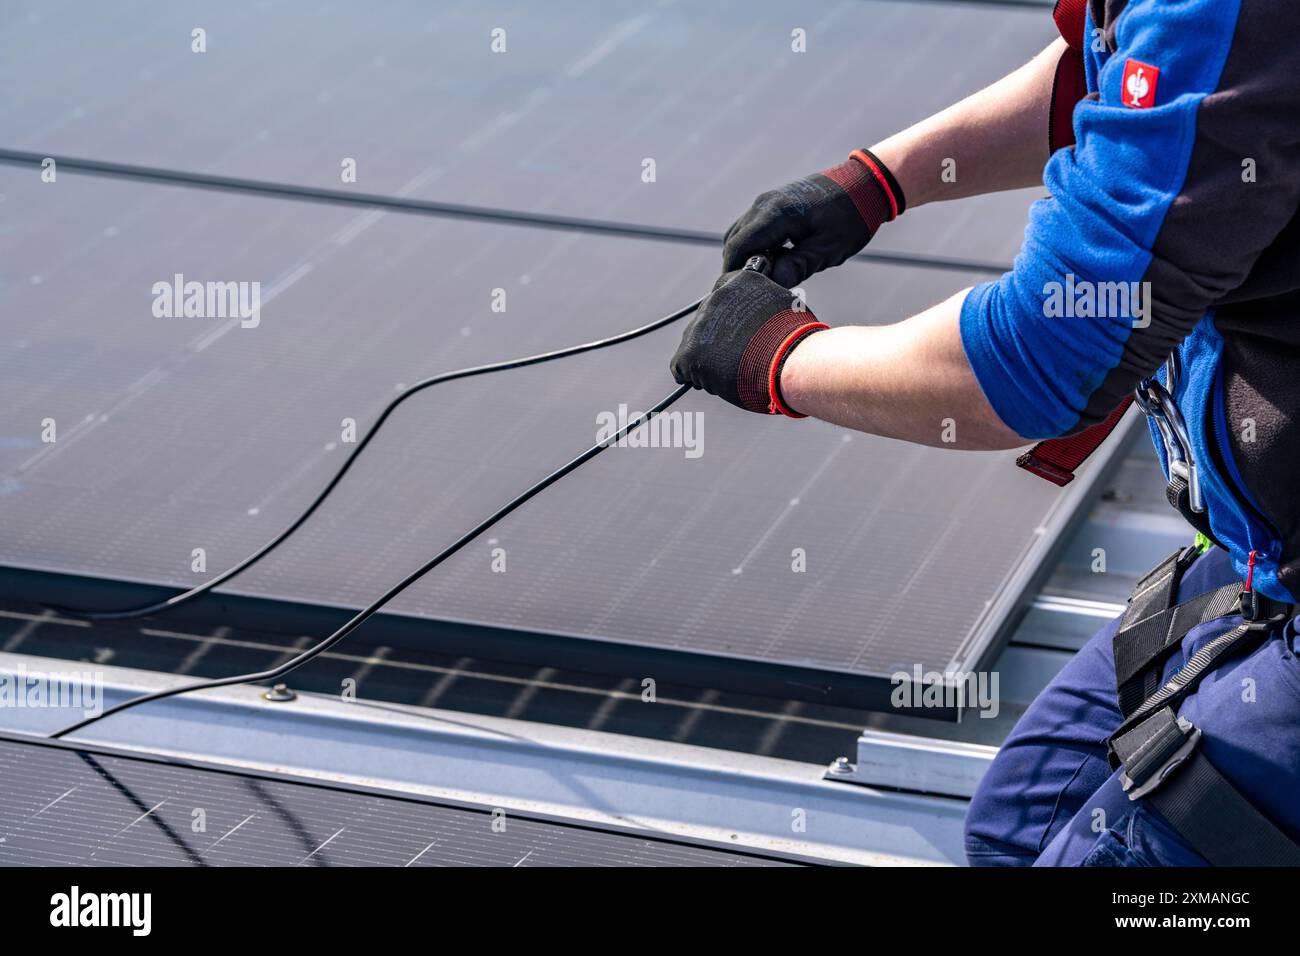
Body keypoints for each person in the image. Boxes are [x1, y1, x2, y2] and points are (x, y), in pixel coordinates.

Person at [671, 0, 1300, 866]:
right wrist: (882, 179)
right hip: (1258, 544)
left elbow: (1041, 356)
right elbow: (1137, 75)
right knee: (1020, 825)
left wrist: (774, 360)